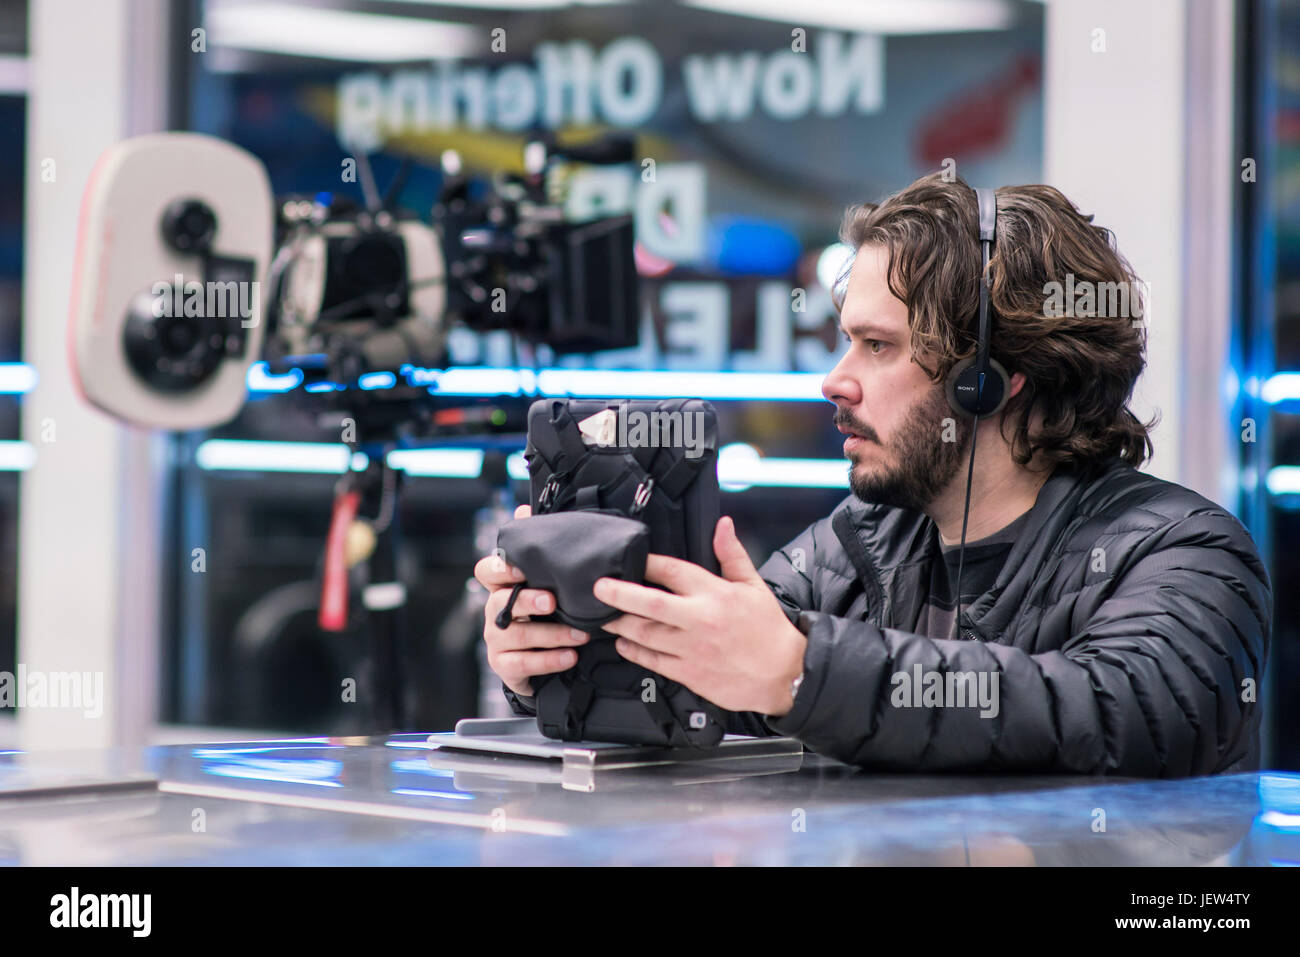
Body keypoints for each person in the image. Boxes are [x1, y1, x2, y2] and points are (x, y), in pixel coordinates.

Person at [473, 173, 1271, 777]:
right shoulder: (859, 544)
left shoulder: (1184, 553)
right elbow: (710, 690)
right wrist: (558, 653)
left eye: (877, 346)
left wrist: (798, 670)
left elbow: (1115, 713)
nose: (835, 379)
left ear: (992, 377)